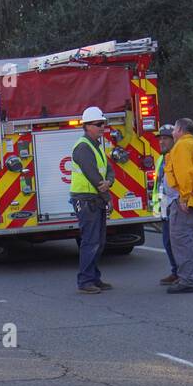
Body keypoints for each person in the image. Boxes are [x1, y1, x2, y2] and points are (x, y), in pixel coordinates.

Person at [164, 118, 193, 293]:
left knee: (181, 241)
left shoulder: (182, 146)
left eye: (174, 129)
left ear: (180, 129)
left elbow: (185, 173)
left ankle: (187, 280)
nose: (172, 133)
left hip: (187, 202)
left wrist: (184, 197)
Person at [70, 106, 114, 293]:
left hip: (95, 199)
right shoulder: (83, 147)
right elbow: (93, 175)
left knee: (99, 241)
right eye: (98, 124)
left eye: (103, 124)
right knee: (91, 241)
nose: (102, 127)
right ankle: (86, 281)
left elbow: (109, 170)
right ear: (87, 126)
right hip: (87, 199)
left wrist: (109, 182)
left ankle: (94, 278)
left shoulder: (96, 146)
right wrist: (107, 195)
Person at [153, 125, 179, 285]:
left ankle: (182, 273)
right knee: (168, 242)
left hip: (176, 204)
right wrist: (157, 209)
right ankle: (176, 271)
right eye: (160, 138)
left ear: (173, 139)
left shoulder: (178, 156)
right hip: (165, 206)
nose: (161, 141)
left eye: (165, 138)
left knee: (177, 242)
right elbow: (159, 184)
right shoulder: (161, 158)